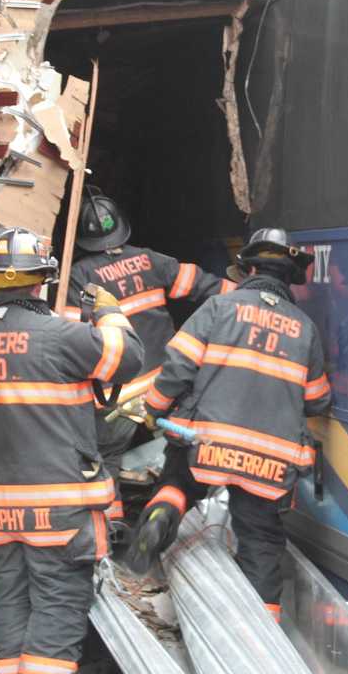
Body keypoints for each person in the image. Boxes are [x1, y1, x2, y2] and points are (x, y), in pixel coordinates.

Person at [0, 227, 143, 674]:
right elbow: (128, 358)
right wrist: (110, 311)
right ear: (42, 283)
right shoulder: (64, 336)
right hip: (58, 503)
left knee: (10, 595)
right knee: (57, 597)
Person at [126, 228, 332, 621]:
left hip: (207, 441)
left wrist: (154, 408)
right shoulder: (305, 329)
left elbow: (177, 368)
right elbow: (317, 399)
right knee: (261, 541)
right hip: (270, 460)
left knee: (177, 482)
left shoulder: (218, 309)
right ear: (289, 278)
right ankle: (264, 632)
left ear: (248, 268)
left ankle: (162, 515)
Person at [62, 189, 234, 522]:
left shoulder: (79, 276)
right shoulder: (150, 260)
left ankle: (111, 528)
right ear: (122, 227)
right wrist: (250, 297)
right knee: (181, 455)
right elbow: (209, 288)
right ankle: (181, 517)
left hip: (117, 399)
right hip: (166, 387)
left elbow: (73, 342)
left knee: (102, 458)